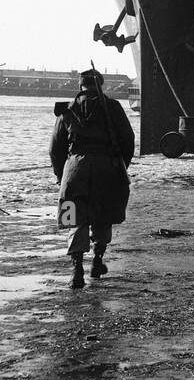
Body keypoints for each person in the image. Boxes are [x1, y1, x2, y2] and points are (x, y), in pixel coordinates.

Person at [50, 69, 135, 289]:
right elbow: (128, 139)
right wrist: (120, 166)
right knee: (103, 214)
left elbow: (55, 148)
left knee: (73, 217)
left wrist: (61, 175)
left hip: (74, 169)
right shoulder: (113, 107)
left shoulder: (66, 110)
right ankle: (97, 261)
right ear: (101, 85)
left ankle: (76, 269)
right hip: (107, 168)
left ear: (80, 86)